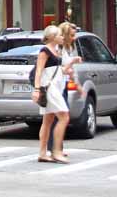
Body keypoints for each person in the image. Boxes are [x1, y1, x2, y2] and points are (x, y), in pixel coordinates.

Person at [30, 25, 74, 163]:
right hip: (49, 88)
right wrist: (37, 90)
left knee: (48, 121)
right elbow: (38, 71)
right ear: (53, 37)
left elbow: (60, 70)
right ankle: (56, 151)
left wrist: (71, 65)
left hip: (56, 87)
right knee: (64, 116)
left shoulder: (57, 51)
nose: (62, 37)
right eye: (60, 35)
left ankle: (42, 153)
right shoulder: (45, 51)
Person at [47, 21, 84, 157]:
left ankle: (57, 148)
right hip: (55, 87)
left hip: (61, 86)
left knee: (56, 118)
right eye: (72, 35)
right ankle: (54, 149)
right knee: (59, 117)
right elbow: (61, 69)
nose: (74, 38)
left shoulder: (67, 49)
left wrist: (77, 84)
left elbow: (68, 71)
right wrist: (72, 62)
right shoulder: (58, 50)